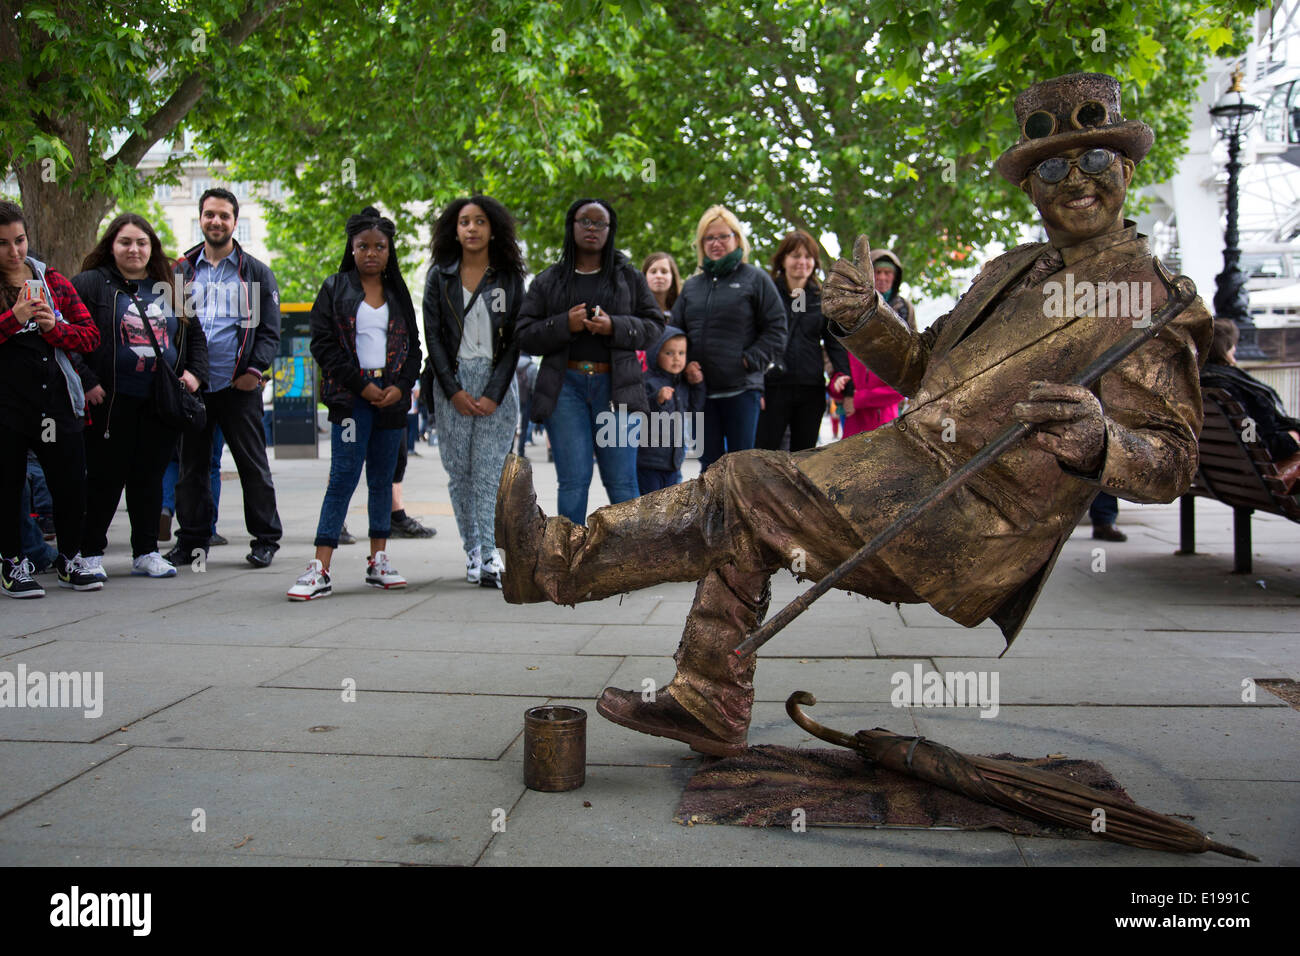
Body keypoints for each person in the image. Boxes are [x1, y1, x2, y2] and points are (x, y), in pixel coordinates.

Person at [496, 73, 1213, 757]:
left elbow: (1173, 461)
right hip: (901, 467)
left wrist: (1100, 440)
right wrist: (865, 318)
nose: (1077, 179)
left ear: (1125, 166)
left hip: (972, 514)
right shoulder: (1011, 269)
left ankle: (556, 562)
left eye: (1094, 158)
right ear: (1030, 187)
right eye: (1052, 170)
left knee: (745, 485)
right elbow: (920, 368)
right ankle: (708, 701)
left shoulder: (1155, 302)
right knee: (748, 500)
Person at [287, 206, 421, 601]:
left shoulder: (398, 292)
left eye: (380, 246)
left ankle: (378, 561)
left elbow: (414, 347)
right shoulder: (334, 288)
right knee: (343, 477)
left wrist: (402, 386)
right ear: (352, 246)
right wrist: (361, 386)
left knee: (382, 479)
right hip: (351, 399)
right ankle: (320, 567)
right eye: (363, 245)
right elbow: (323, 345)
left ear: (389, 250)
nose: (371, 253)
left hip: (392, 401)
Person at [71, 213, 208, 579]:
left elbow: (195, 336)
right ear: (111, 245)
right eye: (126, 242)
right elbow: (66, 338)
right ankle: (89, 553)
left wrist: (194, 374)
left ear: (152, 248)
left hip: (160, 400)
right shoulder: (88, 284)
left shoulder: (172, 284)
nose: (134, 249)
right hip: (110, 401)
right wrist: (86, 380)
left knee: (149, 478)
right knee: (105, 476)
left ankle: (146, 551)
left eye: (142, 243)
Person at [515, 198, 662, 524]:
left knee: (622, 481)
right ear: (572, 225)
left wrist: (615, 327)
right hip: (564, 387)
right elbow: (524, 335)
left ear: (610, 230)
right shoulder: (549, 280)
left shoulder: (629, 277)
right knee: (573, 481)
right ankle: (569, 563)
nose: (592, 229)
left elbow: (654, 327)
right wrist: (563, 324)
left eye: (600, 223)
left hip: (616, 391)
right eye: (585, 221)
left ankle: (629, 563)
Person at [166, 187, 283, 569]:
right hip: (195, 389)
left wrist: (254, 371)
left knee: (253, 467)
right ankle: (192, 541)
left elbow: (269, 331)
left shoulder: (256, 273)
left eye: (224, 216)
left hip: (238, 388)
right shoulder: (180, 271)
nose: (216, 221)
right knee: (192, 470)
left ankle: (265, 539)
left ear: (234, 221)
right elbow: (169, 328)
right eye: (209, 214)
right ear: (201, 219)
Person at [0, 200, 102, 597]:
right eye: (4, 244)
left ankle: (70, 559)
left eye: (20, 240)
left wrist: (53, 327)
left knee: (70, 483)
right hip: (6, 404)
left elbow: (90, 336)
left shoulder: (51, 279)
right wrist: (15, 318)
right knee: (8, 486)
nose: (14, 252)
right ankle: (13, 564)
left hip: (54, 401)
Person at [423, 196, 526, 586]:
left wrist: (493, 392)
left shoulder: (510, 277)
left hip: (496, 383)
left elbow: (516, 339)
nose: (471, 228)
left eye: (479, 221)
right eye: (464, 222)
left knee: (488, 473)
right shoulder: (440, 276)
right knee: (459, 474)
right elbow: (432, 335)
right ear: (454, 229)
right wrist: (452, 390)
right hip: (452, 381)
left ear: (493, 229)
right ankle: (472, 550)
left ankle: (489, 556)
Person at [671, 206, 787, 471]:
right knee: (708, 469)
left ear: (736, 238)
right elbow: (675, 333)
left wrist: (749, 361)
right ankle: (713, 515)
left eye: (723, 236)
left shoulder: (755, 279)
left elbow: (777, 329)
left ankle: (741, 515)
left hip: (742, 391)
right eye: (709, 238)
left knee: (742, 469)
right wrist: (685, 364)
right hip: (701, 394)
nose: (716, 243)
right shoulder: (691, 286)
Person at [755, 230, 852, 452]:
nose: (802, 262)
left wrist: (844, 378)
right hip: (773, 386)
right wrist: (756, 387)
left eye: (807, 257)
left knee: (804, 458)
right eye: (795, 256)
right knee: (764, 455)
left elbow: (834, 343)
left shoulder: (821, 297)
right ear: (783, 260)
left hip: (810, 387)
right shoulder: (767, 293)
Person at [1201, 317, 1300, 488]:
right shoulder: (1232, 388)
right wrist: (1293, 437)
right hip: (1256, 474)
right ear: (1226, 349)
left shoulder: (1199, 383)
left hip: (1220, 472)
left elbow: (1248, 434)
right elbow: (1259, 441)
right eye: (1233, 345)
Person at [637, 326, 706, 494]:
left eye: (681, 353)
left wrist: (697, 385)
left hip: (674, 463)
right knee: (650, 507)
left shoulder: (682, 383)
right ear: (655, 353)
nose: (676, 359)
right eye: (669, 353)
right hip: (649, 463)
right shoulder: (647, 381)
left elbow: (694, 407)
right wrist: (656, 399)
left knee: (671, 508)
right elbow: (639, 412)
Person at [642, 252, 683, 320]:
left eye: (664, 272)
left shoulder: (683, 310)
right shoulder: (634, 310)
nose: (658, 276)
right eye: (653, 272)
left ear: (672, 277)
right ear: (644, 276)